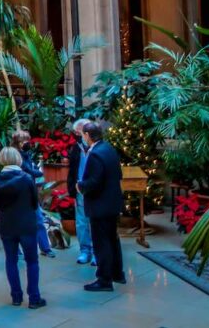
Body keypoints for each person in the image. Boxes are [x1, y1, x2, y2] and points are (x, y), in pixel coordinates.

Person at [0, 147, 46, 309]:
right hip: (26, 224)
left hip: (7, 224)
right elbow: (34, 203)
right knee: (32, 261)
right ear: (18, 159)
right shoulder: (27, 178)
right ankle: (34, 298)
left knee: (11, 260)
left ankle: (16, 296)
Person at [77, 120, 125, 291]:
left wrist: (80, 186)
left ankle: (104, 279)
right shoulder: (109, 149)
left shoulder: (96, 153)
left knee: (101, 242)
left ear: (88, 135)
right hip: (112, 203)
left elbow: (94, 181)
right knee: (112, 239)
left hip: (100, 205)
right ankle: (117, 273)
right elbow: (118, 174)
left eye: (82, 134)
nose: (82, 137)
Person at [11, 130, 56, 258]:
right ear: (17, 143)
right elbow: (32, 171)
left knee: (38, 221)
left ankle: (45, 248)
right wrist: (36, 171)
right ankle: (16, 250)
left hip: (31, 193)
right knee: (17, 223)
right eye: (23, 141)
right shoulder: (14, 157)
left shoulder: (26, 154)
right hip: (18, 194)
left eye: (27, 140)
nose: (26, 143)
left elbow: (34, 170)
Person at [67, 118, 96, 265]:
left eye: (78, 133)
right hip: (80, 191)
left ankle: (97, 252)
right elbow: (71, 171)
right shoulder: (76, 148)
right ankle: (85, 250)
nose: (76, 135)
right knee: (82, 222)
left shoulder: (98, 148)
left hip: (95, 191)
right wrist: (72, 189)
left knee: (95, 222)